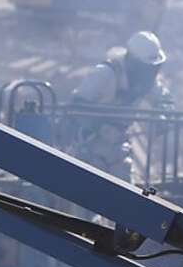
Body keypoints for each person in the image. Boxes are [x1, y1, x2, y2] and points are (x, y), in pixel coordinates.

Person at [68, 30, 172, 180]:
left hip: (119, 148)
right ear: (132, 61)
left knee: (123, 190)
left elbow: (164, 99)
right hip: (89, 145)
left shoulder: (148, 82)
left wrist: (164, 114)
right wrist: (97, 124)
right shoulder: (104, 74)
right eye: (145, 68)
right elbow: (77, 106)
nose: (148, 72)